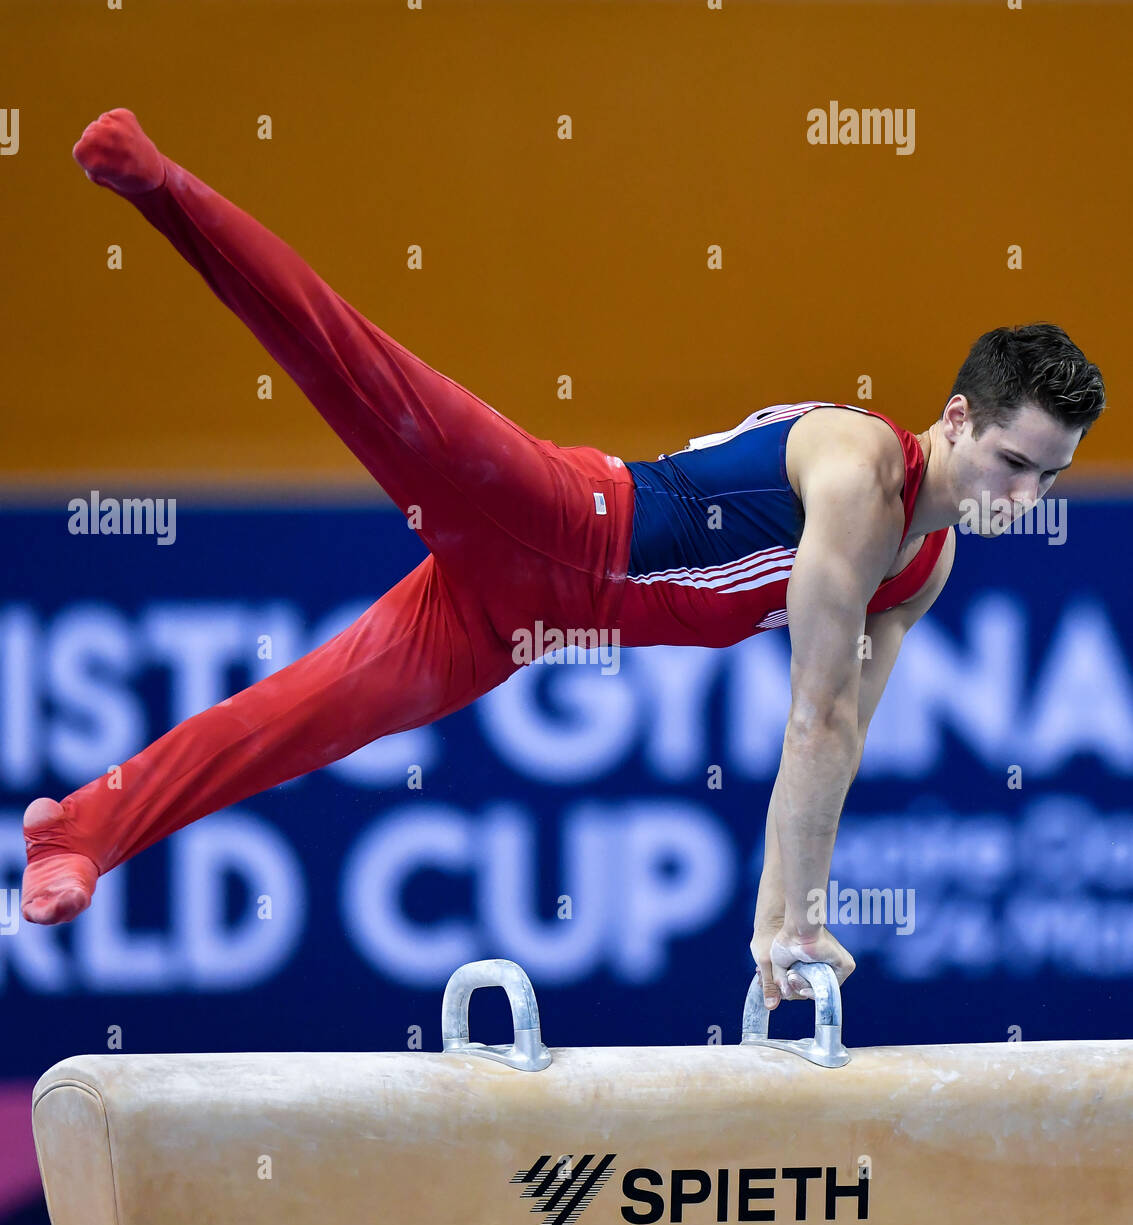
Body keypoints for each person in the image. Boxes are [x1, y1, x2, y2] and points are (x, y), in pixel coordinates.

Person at [22, 109, 1106, 1012]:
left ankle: (79, 830)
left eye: (1047, 481)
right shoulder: (858, 476)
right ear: (956, 418)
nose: (1022, 499)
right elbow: (813, 715)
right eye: (1012, 461)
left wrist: (778, 926)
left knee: (291, 721)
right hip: (558, 516)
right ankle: (155, 181)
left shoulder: (923, 568)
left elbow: (841, 744)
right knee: (349, 363)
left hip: (507, 623)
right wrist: (798, 914)